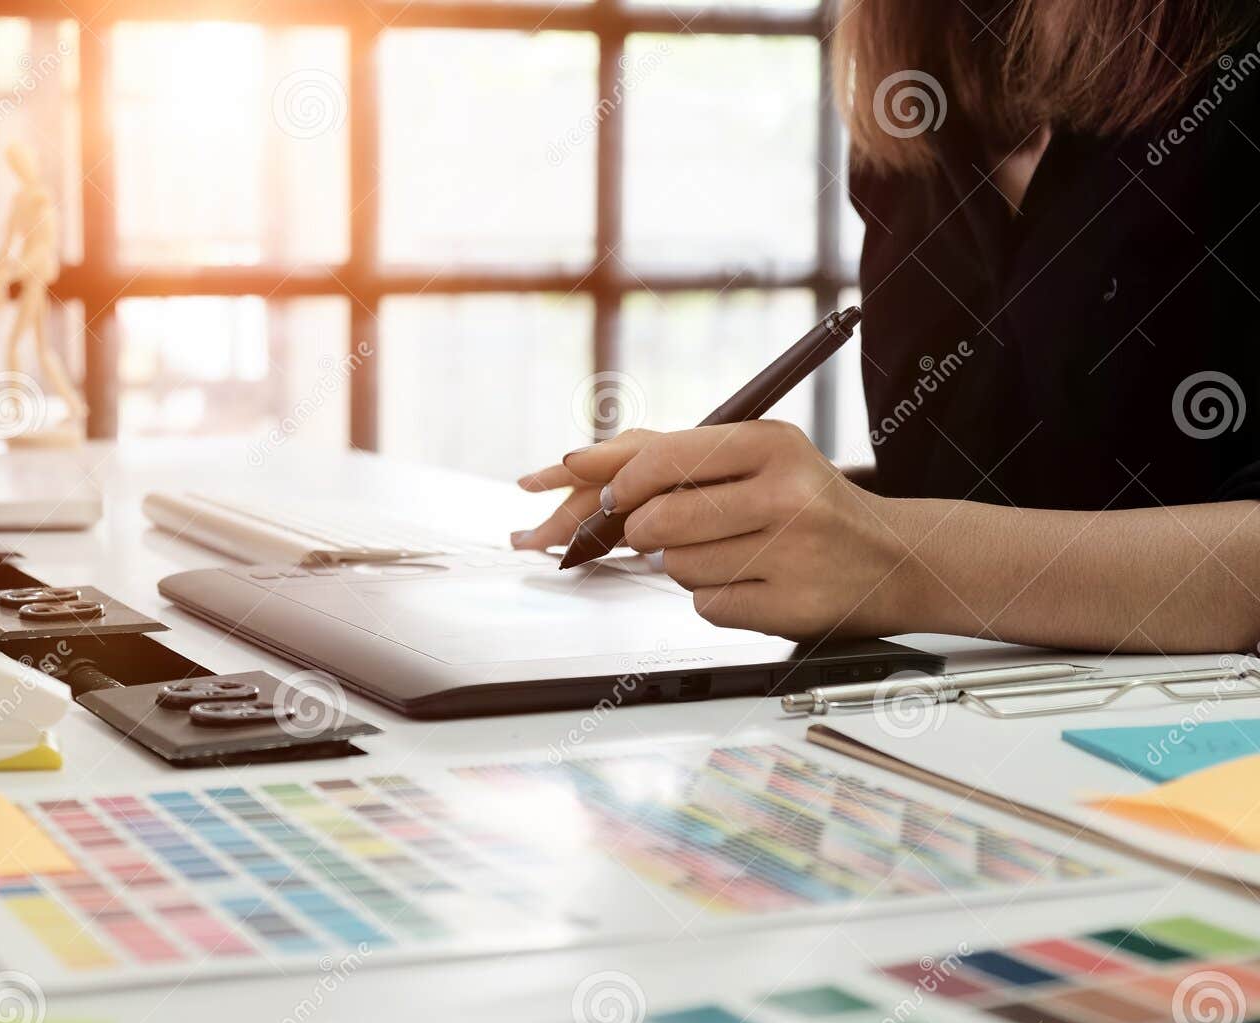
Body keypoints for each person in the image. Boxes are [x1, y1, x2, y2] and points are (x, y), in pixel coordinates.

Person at [513, 0, 1260, 654]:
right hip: (948, 740)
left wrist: (900, 559)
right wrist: (727, 503)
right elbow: (1006, 491)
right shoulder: (921, 100)